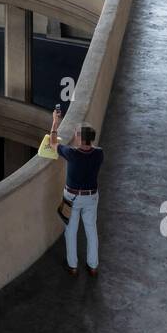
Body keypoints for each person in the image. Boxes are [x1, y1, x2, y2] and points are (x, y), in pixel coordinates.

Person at [48, 106, 103, 277]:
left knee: (71, 232)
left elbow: (52, 142)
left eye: (77, 134)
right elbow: (89, 150)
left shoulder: (71, 153)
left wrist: (55, 122)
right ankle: (93, 266)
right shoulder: (99, 154)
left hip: (72, 197)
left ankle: (73, 266)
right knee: (91, 231)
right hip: (91, 197)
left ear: (80, 138)